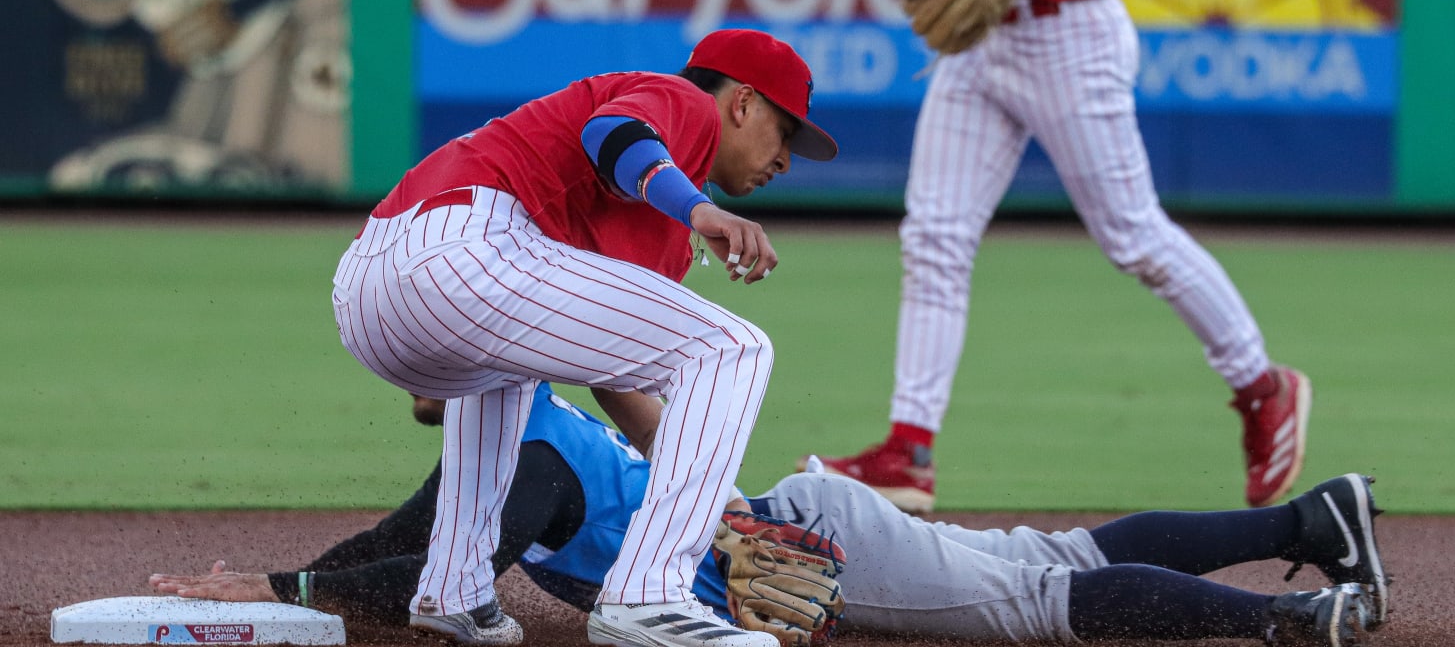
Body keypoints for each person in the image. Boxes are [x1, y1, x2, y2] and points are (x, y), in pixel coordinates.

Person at [151, 384, 1389, 647]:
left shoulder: (532, 461)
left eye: (422, 350)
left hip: (813, 545)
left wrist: (286, 598)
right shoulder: (504, 426)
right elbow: (395, 546)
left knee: (1034, 601)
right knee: (1047, 553)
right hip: (802, 515)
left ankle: (1292, 624)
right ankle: (1307, 522)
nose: (405, 374)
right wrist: (285, 587)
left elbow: (449, 583)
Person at [808, 0, 1311, 513]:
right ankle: (910, 448)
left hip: (1069, 38)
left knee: (1133, 237)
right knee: (934, 238)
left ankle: (1262, 388)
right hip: (986, 37)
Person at [328, 28, 838, 647]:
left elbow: (616, 380)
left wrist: (725, 508)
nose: (785, 161)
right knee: (735, 348)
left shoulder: (659, 229)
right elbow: (614, 134)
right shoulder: (686, 104)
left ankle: (455, 590)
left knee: (511, 367)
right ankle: (648, 596)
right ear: (743, 103)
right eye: (785, 133)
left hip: (375, 287)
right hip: (466, 245)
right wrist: (698, 208)